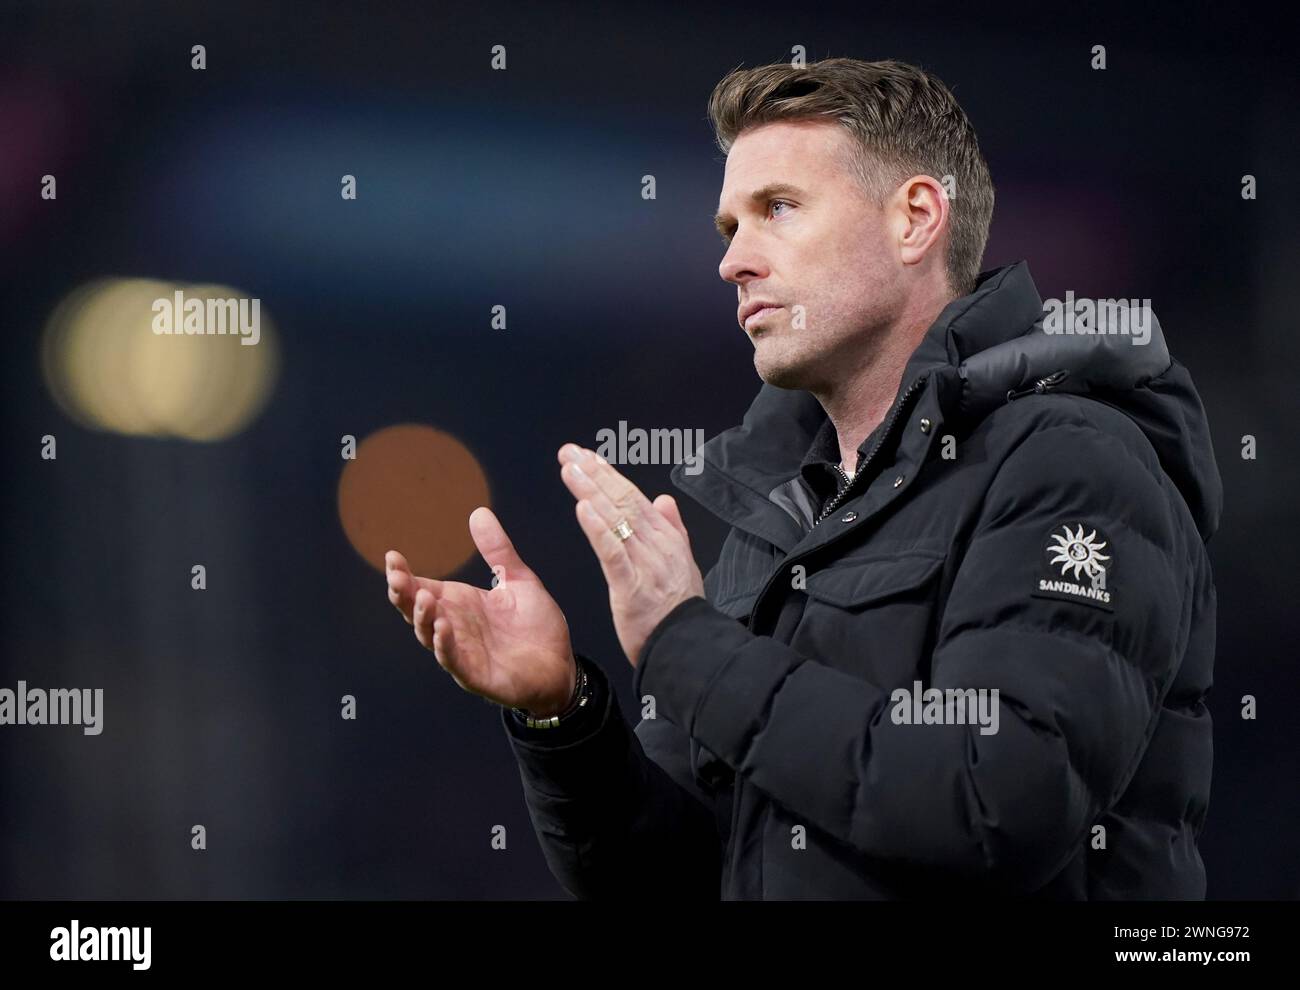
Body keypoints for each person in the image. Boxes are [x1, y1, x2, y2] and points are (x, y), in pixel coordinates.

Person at [384, 58, 1221, 899]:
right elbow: (672, 879)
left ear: (916, 219)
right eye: (727, 229)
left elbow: (993, 804)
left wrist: (684, 641)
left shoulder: (1069, 460)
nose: (733, 263)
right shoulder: (780, 516)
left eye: (776, 209)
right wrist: (562, 712)